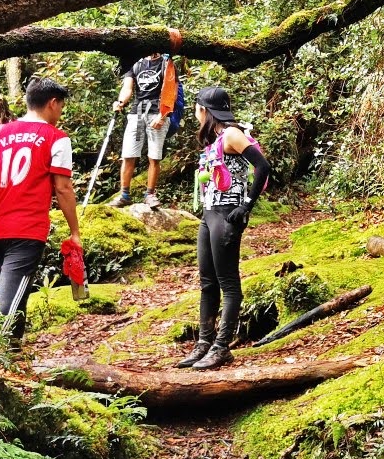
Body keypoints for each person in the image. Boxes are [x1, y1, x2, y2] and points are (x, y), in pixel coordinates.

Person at [177, 86, 272, 371]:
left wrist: (245, 206)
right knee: (208, 282)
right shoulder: (216, 139)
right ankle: (204, 344)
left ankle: (221, 348)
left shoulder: (232, 134)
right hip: (209, 214)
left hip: (227, 214)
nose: (196, 113)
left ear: (204, 110)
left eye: (197, 108)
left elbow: (263, 166)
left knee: (228, 283)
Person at [0, 77, 81, 343]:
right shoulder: (56, 138)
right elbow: (63, 189)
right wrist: (74, 231)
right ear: (52, 103)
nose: (60, 113)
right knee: (8, 299)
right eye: (61, 107)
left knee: (15, 291)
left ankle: (13, 352)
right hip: (27, 229)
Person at [108, 52, 174, 209]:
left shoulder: (166, 62)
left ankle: (150, 195)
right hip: (137, 113)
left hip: (157, 113)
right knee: (129, 154)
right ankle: (124, 195)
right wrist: (120, 102)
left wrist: (163, 115)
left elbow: (171, 90)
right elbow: (127, 87)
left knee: (154, 156)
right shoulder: (136, 62)